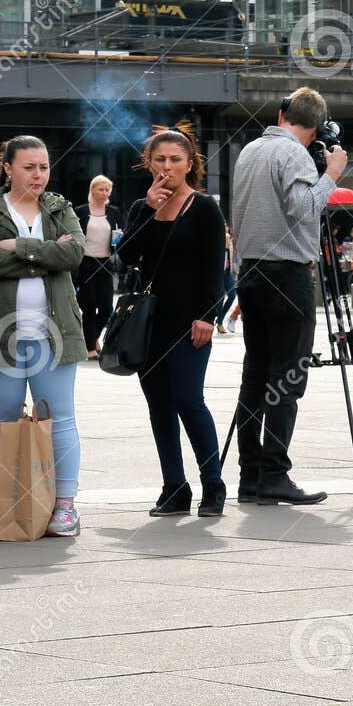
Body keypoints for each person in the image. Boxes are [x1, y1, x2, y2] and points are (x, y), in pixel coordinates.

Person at [0, 134, 84, 538]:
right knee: (1, 420)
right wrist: (45, 254)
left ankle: (64, 506)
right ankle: (0, 504)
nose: (38, 175)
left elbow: (73, 254)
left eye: (44, 166)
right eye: (29, 167)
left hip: (53, 334)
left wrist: (18, 246)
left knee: (60, 419)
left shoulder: (59, 206)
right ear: (9, 168)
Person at [231, 88, 346, 503]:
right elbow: (303, 208)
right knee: (287, 379)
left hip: (253, 272)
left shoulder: (250, 151)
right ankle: (275, 473)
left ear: (282, 113)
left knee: (254, 378)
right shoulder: (296, 154)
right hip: (288, 274)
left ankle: (249, 475)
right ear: (315, 130)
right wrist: (331, 173)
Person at [119, 128, 228, 518]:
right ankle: (174, 487)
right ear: (149, 163)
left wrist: (208, 316)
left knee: (188, 399)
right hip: (149, 324)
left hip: (190, 323)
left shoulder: (204, 208)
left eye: (175, 160)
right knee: (159, 406)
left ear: (190, 163)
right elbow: (127, 256)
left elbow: (214, 268)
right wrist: (149, 209)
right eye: (160, 159)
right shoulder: (140, 207)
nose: (167, 167)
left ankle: (213, 484)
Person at [73, 175, 122, 358]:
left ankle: (93, 339)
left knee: (107, 307)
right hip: (86, 262)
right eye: (101, 189)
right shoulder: (81, 211)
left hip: (105, 262)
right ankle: (91, 349)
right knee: (89, 306)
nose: (104, 193)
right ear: (93, 190)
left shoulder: (114, 211)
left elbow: (120, 233)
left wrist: (120, 237)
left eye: (107, 189)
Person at [215, 222, 238, 333]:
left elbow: (233, 258)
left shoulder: (230, 241)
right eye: (223, 225)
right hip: (218, 273)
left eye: (226, 226)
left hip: (228, 273)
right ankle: (219, 323)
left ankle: (220, 318)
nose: (225, 228)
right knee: (220, 298)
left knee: (232, 294)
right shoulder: (216, 239)